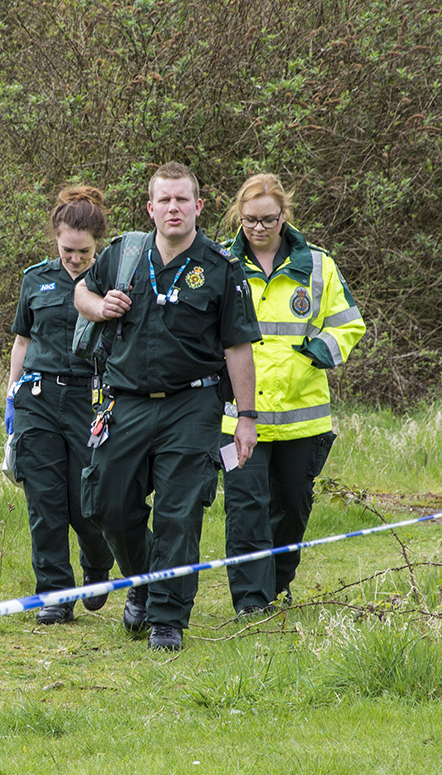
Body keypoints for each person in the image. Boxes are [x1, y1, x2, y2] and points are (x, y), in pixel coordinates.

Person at [74, 161, 261, 651]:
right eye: (165, 200)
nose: (174, 208)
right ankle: (142, 584)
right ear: (151, 207)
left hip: (192, 405)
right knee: (107, 504)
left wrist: (246, 417)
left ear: (199, 207)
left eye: (183, 200)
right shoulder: (123, 254)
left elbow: (239, 348)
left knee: (179, 513)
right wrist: (99, 307)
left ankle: (167, 618)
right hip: (127, 402)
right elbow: (81, 291)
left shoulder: (221, 268)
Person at [219, 173, 366, 617]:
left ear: (284, 216)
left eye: (267, 219)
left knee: (292, 512)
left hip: (303, 417)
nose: (258, 228)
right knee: (245, 509)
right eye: (249, 220)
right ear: (238, 217)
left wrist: (320, 350)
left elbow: (348, 322)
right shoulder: (221, 264)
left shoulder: (319, 265)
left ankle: (278, 589)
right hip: (237, 418)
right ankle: (250, 601)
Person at [5, 185, 116, 624]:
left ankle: (98, 564)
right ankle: (53, 593)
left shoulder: (111, 279)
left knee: (86, 500)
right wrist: (10, 395)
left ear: (97, 245)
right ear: (56, 237)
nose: (75, 258)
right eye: (68, 249)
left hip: (90, 400)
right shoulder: (35, 279)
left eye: (84, 251)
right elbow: (22, 339)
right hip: (37, 398)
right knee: (44, 502)